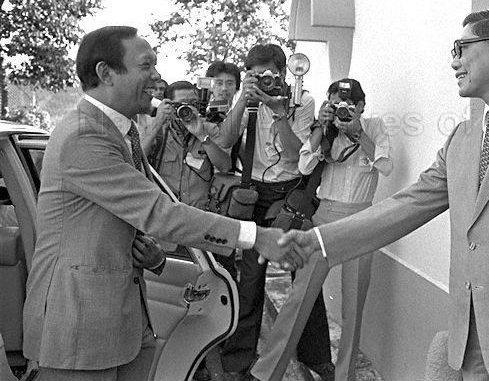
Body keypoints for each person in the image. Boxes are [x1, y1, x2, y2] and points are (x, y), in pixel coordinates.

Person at [278, 8, 489, 381]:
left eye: (461, 47)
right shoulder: (463, 137)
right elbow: (408, 205)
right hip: (469, 344)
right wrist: (319, 242)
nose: (453, 61)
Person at [21, 26, 307, 381]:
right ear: (106, 73)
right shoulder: (84, 135)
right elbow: (158, 212)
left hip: (119, 318)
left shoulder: (121, 130)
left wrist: (152, 253)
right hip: (79, 326)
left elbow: (126, 213)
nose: (157, 76)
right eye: (146, 65)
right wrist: (256, 236)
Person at [251, 78, 392, 381]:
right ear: (328, 104)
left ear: (362, 106)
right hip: (324, 218)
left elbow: (386, 166)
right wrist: (322, 129)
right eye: (336, 104)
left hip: (361, 221)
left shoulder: (375, 126)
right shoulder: (323, 129)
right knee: (298, 298)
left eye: (350, 105)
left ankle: (345, 375)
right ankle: (266, 372)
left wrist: (357, 132)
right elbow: (303, 167)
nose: (343, 109)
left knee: (353, 309)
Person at [216, 44, 333, 378]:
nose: (266, 81)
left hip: (291, 193)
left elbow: (299, 156)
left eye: (270, 75)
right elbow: (224, 142)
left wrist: (280, 111)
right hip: (253, 193)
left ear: (285, 73)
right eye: (257, 76)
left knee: (305, 273)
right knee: (250, 277)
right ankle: (237, 360)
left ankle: (315, 356)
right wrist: (244, 100)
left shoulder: (302, 102)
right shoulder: (246, 102)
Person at [144, 80, 231, 209]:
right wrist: (157, 123)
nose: (188, 108)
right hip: (165, 210)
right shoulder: (158, 131)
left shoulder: (208, 129)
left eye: (193, 103)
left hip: (199, 211)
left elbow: (225, 167)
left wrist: (201, 135)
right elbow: (135, 159)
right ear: (169, 105)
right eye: (182, 104)